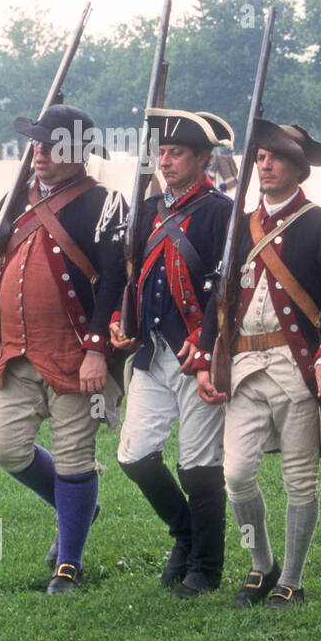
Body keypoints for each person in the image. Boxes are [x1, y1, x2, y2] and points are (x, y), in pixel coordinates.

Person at [0, 105, 127, 594]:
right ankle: (80, 510)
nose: (40, 153)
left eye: (52, 145)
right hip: (14, 351)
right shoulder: (14, 200)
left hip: (75, 356)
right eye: (37, 144)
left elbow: (115, 282)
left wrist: (97, 349)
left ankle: (69, 564)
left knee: (73, 458)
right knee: (5, 449)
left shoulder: (105, 205)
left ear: (79, 153)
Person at [193, 121, 321, 609]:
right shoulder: (239, 226)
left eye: (277, 157)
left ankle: (293, 580)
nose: (266, 165)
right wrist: (205, 357)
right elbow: (218, 296)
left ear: (299, 168)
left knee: (299, 479)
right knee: (237, 475)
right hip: (243, 367)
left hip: (296, 367)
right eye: (261, 157)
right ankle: (261, 565)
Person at [110, 109, 234, 596]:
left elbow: (228, 289)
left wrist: (205, 340)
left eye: (176, 153)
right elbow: (129, 275)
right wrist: (121, 319)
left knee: (199, 466)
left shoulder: (222, 213)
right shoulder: (147, 210)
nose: (166, 161)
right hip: (152, 351)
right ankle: (185, 532)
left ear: (202, 159)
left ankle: (206, 567)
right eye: (162, 152)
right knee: (135, 455)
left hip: (196, 357)